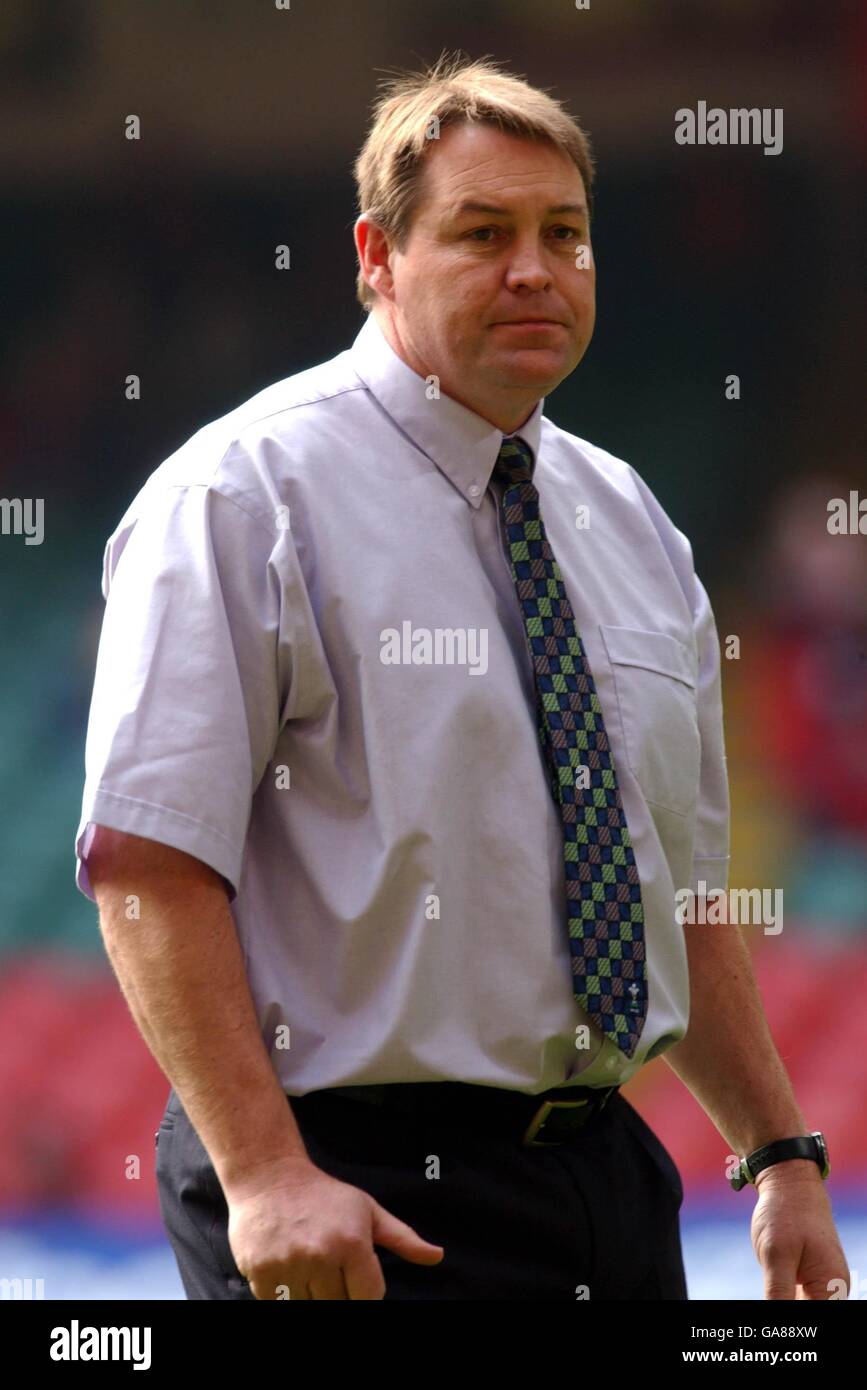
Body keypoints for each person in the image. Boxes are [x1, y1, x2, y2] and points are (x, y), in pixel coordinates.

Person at [74, 52, 848, 1301]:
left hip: (607, 1183)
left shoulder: (634, 522)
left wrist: (778, 1152)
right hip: (346, 1188)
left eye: (565, 234)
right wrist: (264, 1173)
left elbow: (676, 892)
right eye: (484, 233)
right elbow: (146, 863)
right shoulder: (240, 496)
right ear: (376, 257)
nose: (535, 269)